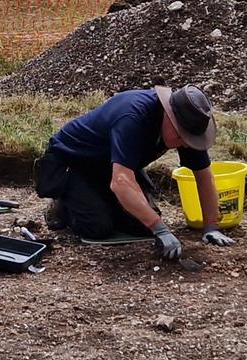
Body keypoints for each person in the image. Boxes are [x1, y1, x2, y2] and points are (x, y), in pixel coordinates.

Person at [36, 85, 236, 260]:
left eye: (189, 139)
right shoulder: (133, 116)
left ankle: (98, 201)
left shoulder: (188, 127)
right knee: (97, 227)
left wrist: (211, 226)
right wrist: (160, 229)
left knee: (142, 226)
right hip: (73, 163)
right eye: (180, 136)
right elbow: (121, 181)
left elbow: (204, 175)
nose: (184, 143)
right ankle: (63, 206)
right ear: (168, 114)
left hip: (112, 166)